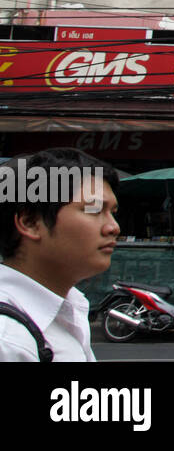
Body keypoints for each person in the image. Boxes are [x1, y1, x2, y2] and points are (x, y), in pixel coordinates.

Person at [0, 149, 120, 361]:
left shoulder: (71, 308)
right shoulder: (8, 339)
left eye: (113, 212)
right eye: (94, 210)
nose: (113, 227)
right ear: (30, 223)